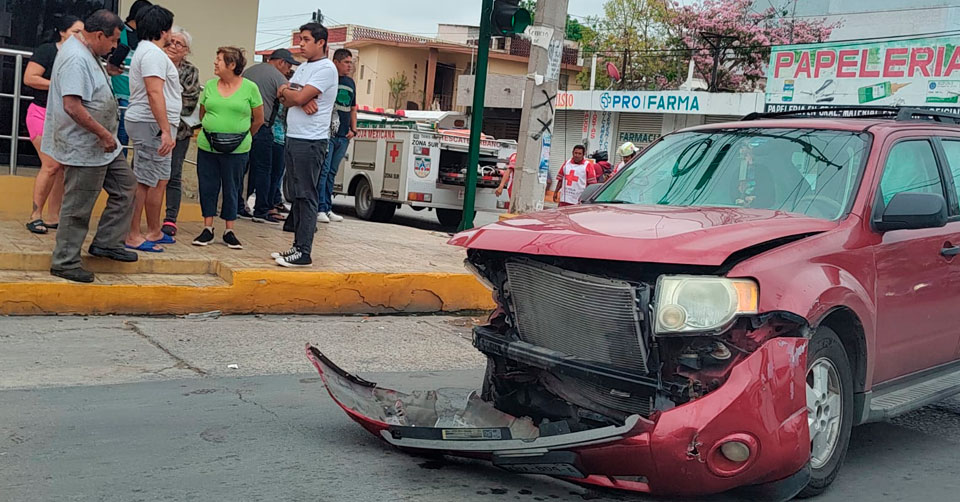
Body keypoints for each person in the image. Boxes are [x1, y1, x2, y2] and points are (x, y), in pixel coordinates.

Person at [43, 10, 138, 283]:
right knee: (78, 206)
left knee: (125, 186)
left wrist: (108, 71)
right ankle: (65, 261)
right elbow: (72, 106)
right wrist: (104, 135)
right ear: (99, 35)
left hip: (103, 145)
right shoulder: (76, 58)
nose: (115, 47)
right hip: (86, 144)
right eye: (114, 40)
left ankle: (107, 242)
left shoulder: (89, 52)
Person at [272, 23, 338, 268]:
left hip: (311, 141)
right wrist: (295, 97)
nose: (301, 43)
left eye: (306, 39)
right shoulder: (303, 68)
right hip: (294, 136)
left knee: (306, 195)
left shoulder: (326, 69)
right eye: (301, 39)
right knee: (295, 195)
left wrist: (296, 98)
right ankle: (295, 245)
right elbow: (284, 91)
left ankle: (304, 251)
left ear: (320, 42)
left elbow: (295, 96)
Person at [192, 47, 264, 250]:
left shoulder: (250, 88)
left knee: (232, 187)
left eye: (219, 60)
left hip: (238, 149)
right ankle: (207, 228)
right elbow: (203, 113)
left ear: (232, 65)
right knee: (207, 185)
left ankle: (229, 230)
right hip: (208, 146)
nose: (215, 63)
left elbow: (258, 119)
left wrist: (243, 136)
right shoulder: (210, 86)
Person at [123, 5, 180, 253]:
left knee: (158, 179)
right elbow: (154, 92)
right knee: (144, 180)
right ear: (163, 30)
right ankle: (132, 235)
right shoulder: (153, 55)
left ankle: (154, 230)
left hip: (156, 124)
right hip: (151, 124)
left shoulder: (148, 52)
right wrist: (165, 130)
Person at [24, 14, 84, 235]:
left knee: (61, 168)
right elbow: (30, 78)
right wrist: (59, 85)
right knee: (51, 165)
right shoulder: (48, 51)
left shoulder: (82, 57)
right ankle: (35, 215)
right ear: (62, 32)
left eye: (81, 32)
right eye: (75, 31)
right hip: (40, 114)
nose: (79, 36)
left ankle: (53, 216)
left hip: (66, 119)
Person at [243, 48, 300, 224]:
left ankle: (237, 205)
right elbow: (288, 100)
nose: (289, 70)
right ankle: (262, 209)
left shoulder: (249, 71)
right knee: (263, 170)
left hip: (242, 125)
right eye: (288, 65)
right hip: (262, 126)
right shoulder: (278, 77)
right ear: (280, 62)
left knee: (242, 168)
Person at [161, 26, 200, 238]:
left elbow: (189, 102)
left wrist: (162, 107)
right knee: (141, 173)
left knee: (173, 175)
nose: (174, 46)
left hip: (180, 131)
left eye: (180, 44)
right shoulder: (154, 62)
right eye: (171, 41)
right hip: (150, 129)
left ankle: (170, 218)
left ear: (186, 50)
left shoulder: (190, 72)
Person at [317, 48, 357, 224]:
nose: (350, 66)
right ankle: (319, 208)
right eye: (347, 62)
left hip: (343, 135)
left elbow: (353, 107)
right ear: (336, 62)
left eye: (351, 62)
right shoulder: (329, 79)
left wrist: (353, 129)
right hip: (328, 133)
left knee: (332, 172)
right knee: (323, 171)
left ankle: (327, 206)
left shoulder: (350, 83)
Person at [108, 0, 153, 153]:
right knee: (122, 131)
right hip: (119, 87)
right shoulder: (120, 31)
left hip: (138, 92)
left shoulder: (146, 36)